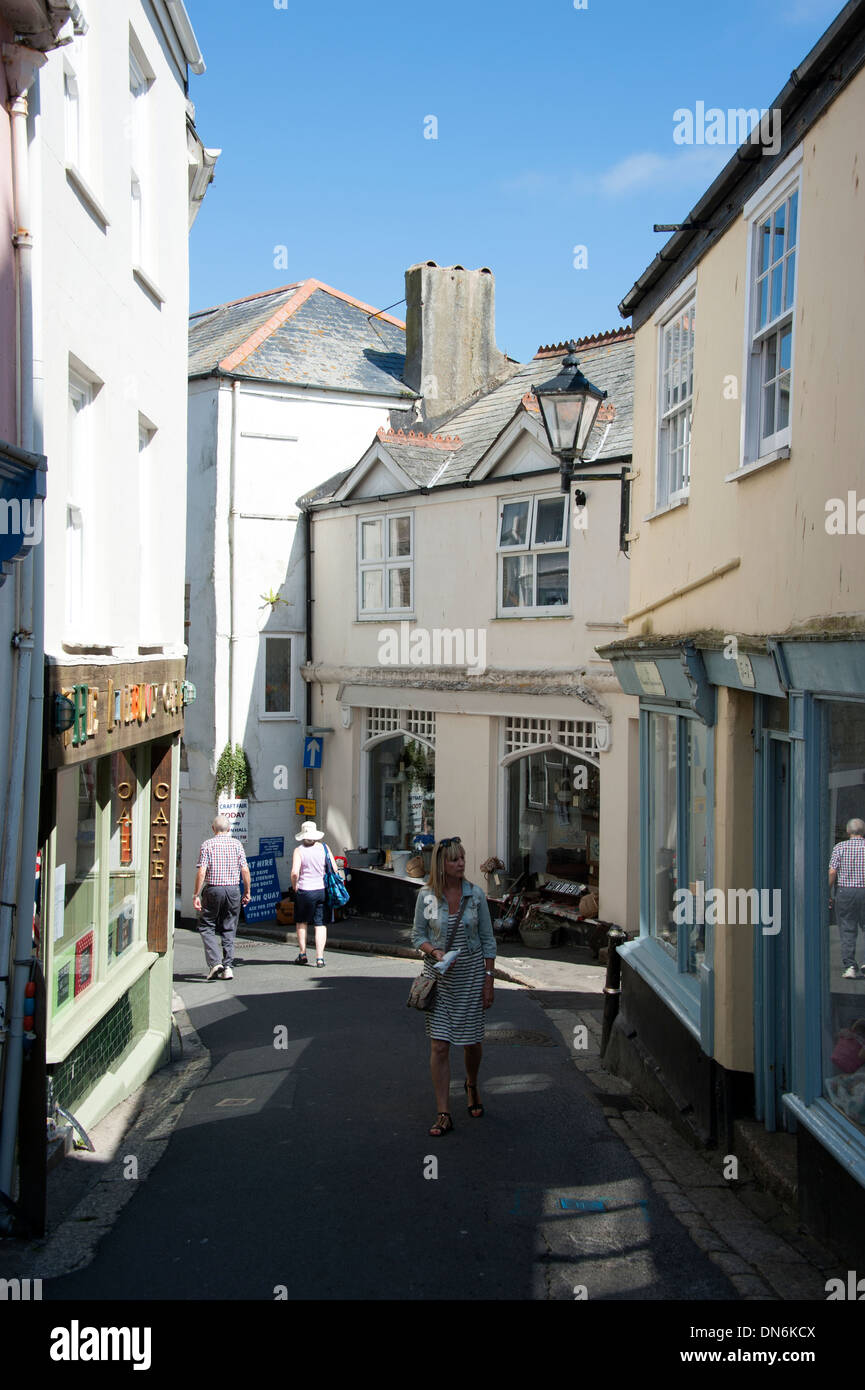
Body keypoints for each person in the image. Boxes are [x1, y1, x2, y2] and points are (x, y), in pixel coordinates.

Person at [411, 836, 496, 1137]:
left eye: (463, 858)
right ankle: (443, 1112)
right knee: (439, 1045)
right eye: (454, 859)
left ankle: (471, 1083)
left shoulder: (476, 896)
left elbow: (488, 941)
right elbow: (416, 935)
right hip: (439, 978)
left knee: (472, 1042)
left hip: (471, 976)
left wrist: (489, 981)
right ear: (441, 865)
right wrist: (434, 952)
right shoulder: (427, 897)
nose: (461, 863)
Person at [192, 815, 251, 981]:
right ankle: (228, 967)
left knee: (206, 925)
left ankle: (215, 962)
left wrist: (196, 894)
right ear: (229, 829)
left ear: (213, 829)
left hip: (213, 889)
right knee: (229, 927)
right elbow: (245, 870)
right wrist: (247, 891)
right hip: (233, 890)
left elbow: (202, 871)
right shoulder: (237, 844)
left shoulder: (207, 845)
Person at [829, 817, 865, 980]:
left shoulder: (840, 847)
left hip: (845, 893)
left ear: (848, 831)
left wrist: (826, 893)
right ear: (863, 831)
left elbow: (832, 872)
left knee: (847, 929)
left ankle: (850, 966)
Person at [291, 820, 329, 968]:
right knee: (320, 924)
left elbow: (294, 872)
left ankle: (303, 953)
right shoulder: (324, 848)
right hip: (321, 890)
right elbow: (332, 866)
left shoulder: (299, 851)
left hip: (305, 890)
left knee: (302, 922)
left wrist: (295, 886)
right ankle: (320, 958)